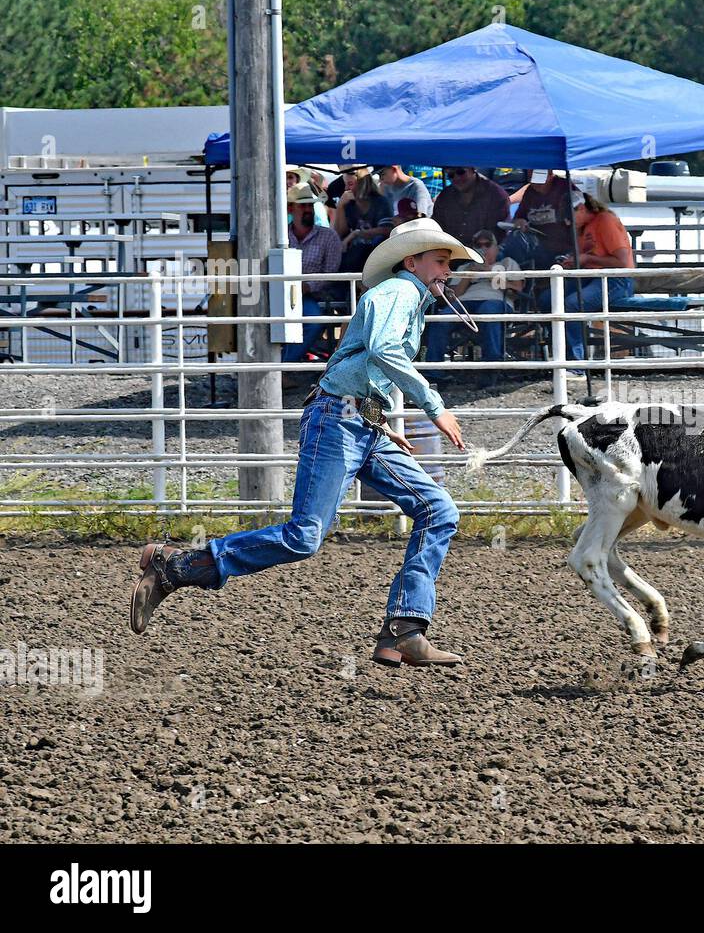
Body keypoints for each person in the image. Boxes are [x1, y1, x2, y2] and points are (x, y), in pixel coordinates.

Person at [129, 218, 480, 668]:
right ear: (410, 261)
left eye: (448, 263)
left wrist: (376, 415)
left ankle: (406, 627)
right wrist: (433, 405)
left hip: (357, 421)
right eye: (439, 260)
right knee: (305, 537)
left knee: (437, 510)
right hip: (340, 422)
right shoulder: (399, 293)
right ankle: (177, 567)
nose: (446, 271)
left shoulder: (402, 297)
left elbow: (357, 361)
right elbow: (385, 353)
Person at [561, 191, 687, 366]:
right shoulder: (584, 227)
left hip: (616, 279)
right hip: (593, 277)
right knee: (547, 299)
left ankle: (575, 364)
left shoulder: (605, 221)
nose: (568, 222)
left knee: (572, 304)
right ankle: (565, 356)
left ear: (581, 208)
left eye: (569, 216)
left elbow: (622, 262)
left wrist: (587, 259)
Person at [425, 228, 522, 384]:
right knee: (440, 318)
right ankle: (433, 371)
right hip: (464, 303)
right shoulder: (465, 268)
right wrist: (469, 275)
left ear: (496, 247)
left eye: (487, 244)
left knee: (487, 312)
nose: (482, 248)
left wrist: (489, 272)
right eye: (478, 245)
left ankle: (490, 368)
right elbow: (454, 294)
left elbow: (517, 289)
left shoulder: (506, 263)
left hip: (496, 301)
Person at [284, 182, 342, 363]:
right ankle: (278, 367)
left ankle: (280, 367)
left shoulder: (328, 236)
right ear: (290, 208)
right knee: (262, 323)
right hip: (281, 292)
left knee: (314, 321)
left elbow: (331, 272)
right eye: (303, 205)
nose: (308, 209)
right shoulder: (280, 235)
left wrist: (307, 287)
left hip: (311, 295)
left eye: (310, 205)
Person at [506, 169, 577, 268]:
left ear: (550, 174)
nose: (536, 184)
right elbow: (519, 217)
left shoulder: (565, 188)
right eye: (531, 178)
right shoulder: (530, 192)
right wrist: (520, 221)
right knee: (514, 239)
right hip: (536, 242)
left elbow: (579, 215)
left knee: (517, 242)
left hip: (561, 247)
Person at [330, 166, 392, 274]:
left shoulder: (380, 202)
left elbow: (386, 230)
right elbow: (339, 234)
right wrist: (340, 207)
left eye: (350, 184)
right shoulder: (349, 205)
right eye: (345, 185)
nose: (346, 189)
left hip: (376, 256)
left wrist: (355, 234)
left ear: (362, 183)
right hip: (353, 259)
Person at [432, 166, 511, 246]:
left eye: (461, 172)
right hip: (450, 252)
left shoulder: (496, 195)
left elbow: (498, 236)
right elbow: (436, 228)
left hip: (484, 253)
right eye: (451, 175)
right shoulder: (445, 196)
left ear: (473, 169)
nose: (456, 177)